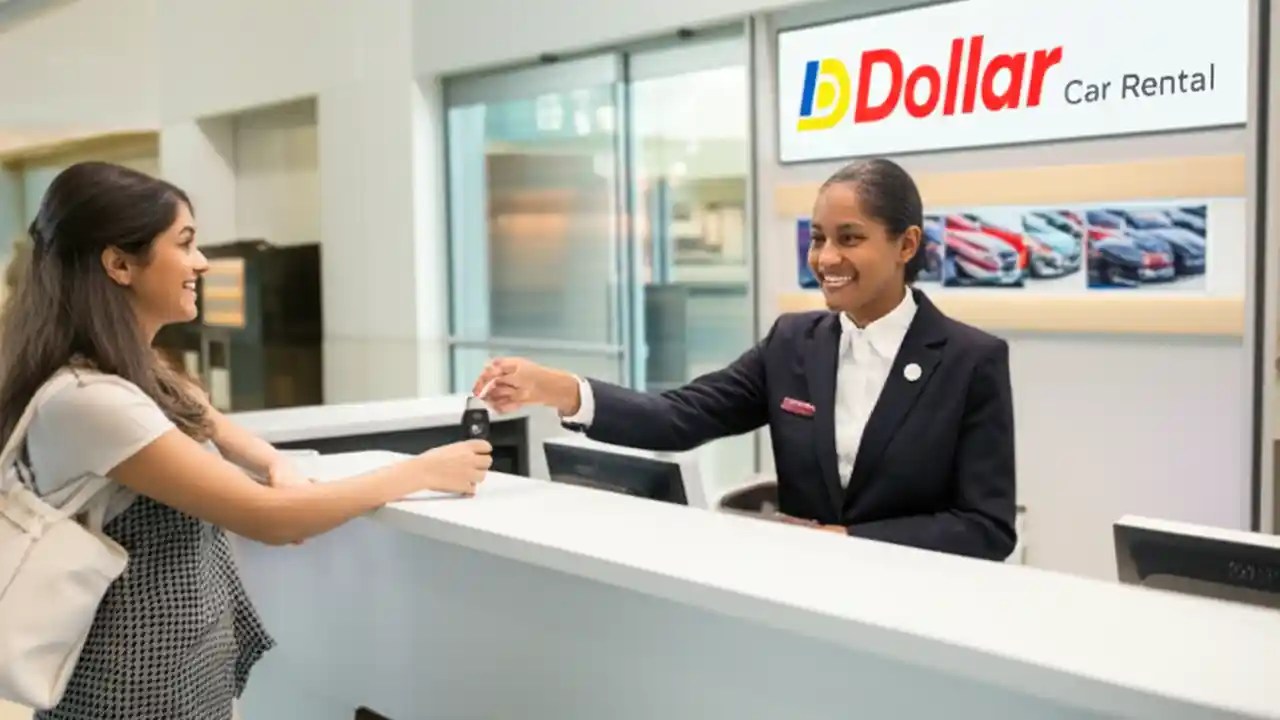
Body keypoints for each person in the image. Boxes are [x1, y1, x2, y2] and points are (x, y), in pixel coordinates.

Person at [0, 161, 493, 720]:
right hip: (125, 694)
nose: (202, 262)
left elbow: (219, 429)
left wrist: (277, 465)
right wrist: (419, 472)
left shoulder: (141, 372)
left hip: (182, 672)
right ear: (118, 264)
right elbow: (269, 519)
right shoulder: (90, 401)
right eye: (184, 244)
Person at [474, 157, 1016, 561]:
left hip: (918, 608)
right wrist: (561, 390)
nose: (826, 257)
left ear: (906, 245)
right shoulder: (793, 342)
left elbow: (986, 527)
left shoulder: (971, 360)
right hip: (803, 599)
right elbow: (677, 417)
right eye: (819, 237)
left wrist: (847, 540)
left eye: (850, 238)